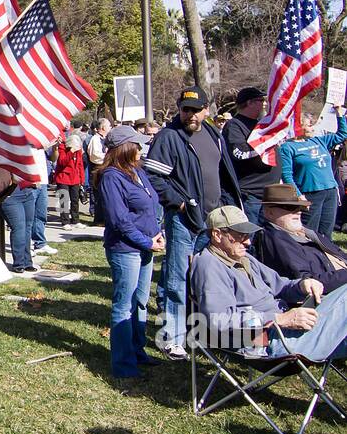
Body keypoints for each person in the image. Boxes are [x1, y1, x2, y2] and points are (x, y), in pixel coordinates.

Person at [144, 86, 243, 361]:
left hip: (213, 220)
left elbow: (223, 173)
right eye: (185, 109)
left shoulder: (213, 134)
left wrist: (225, 201)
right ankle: (171, 339)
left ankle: (198, 333)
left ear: (206, 110)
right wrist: (180, 202)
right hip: (183, 219)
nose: (190, 115)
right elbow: (153, 176)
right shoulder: (168, 137)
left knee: (203, 278)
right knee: (177, 278)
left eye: (195, 110)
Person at [189, 205, 347, 363]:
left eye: (248, 235)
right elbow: (221, 319)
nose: (248, 242)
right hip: (266, 342)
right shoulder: (209, 266)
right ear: (217, 235)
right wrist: (278, 319)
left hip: (285, 329)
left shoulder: (243, 258)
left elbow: (281, 285)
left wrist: (302, 285)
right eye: (240, 235)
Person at [94, 125, 165, 379]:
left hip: (146, 245)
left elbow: (152, 204)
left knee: (141, 301)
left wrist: (157, 233)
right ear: (125, 148)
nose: (141, 148)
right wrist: (147, 242)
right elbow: (119, 220)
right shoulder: (111, 177)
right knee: (124, 306)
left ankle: (137, 352)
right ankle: (123, 364)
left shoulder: (138, 171)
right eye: (137, 144)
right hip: (126, 250)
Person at [255, 182, 347, 295]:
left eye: (299, 207)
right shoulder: (275, 238)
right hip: (330, 296)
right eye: (289, 207)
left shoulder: (306, 232)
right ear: (269, 212)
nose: (298, 211)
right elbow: (306, 281)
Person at [278, 106, 347, 241]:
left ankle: (326, 259)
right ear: (299, 126)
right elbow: (287, 175)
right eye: (310, 125)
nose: (313, 128)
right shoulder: (288, 147)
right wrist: (298, 195)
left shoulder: (318, 140)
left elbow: (342, 135)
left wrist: (339, 115)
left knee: (326, 232)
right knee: (309, 232)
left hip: (330, 191)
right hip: (310, 194)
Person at [221, 87, 274, 227]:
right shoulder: (234, 125)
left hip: (268, 193)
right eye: (260, 100)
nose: (264, 104)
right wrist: (264, 145)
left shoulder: (261, 125)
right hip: (251, 194)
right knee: (250, 236)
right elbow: (239, 152)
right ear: (249, 103)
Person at [53, 131, 84, 226]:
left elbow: (80, 165)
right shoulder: (62, 148)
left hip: (74, 178)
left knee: (75, 200)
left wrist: (81, 179)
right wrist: (71, 152)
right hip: (63, 178)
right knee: (64, 200)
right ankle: (65, 221)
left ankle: (75, 220)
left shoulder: (78, 151)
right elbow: (62, 162)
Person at [31, 148, 57, 255]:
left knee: (40, 214)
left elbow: (53, 158)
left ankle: (40, 243)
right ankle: (26, 245)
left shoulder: (43, 140)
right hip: (30, 181)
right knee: (28, 216)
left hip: (43, 181)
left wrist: (55, 148)